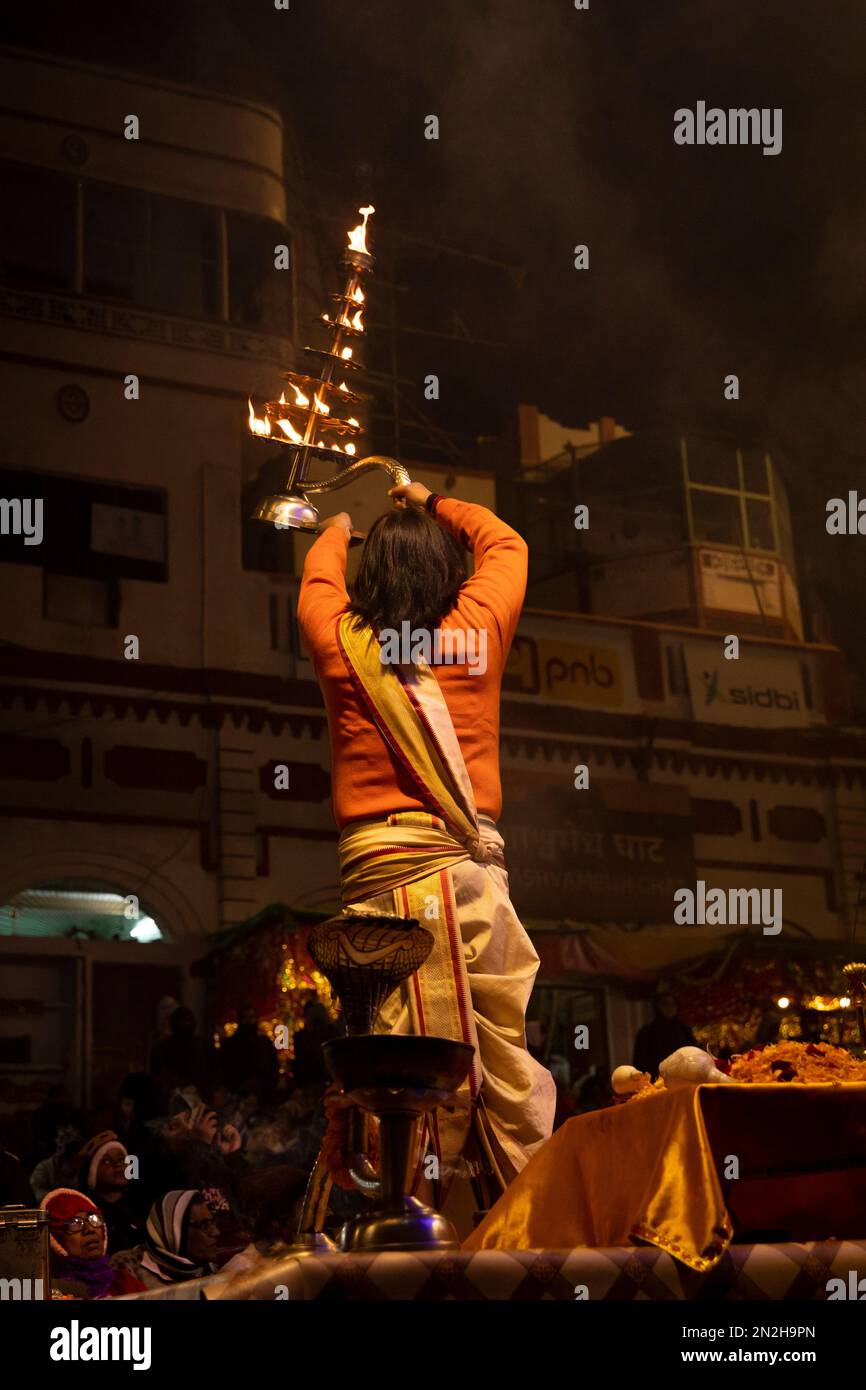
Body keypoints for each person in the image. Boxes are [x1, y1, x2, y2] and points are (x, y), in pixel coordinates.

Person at [297, 479, 556, 1225]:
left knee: (390, 1069)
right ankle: (521, 1236)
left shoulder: (338, 639)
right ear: (448, 574)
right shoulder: (476, 628)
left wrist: (339, 523)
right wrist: (431, 496)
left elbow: (315, 578)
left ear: (366, 573)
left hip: (379, 907)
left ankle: (397, 1231)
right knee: (494, 1068)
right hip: (471, 891)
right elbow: (507, 542)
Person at [40, 1188, 145, 1298]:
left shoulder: (125, 1283)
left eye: (94, 1219)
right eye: (75, 1223)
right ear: (56, 1240)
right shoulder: (47, 1292)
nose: (90, 1229)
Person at [111, 1190, 219, 1290]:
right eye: (204, 1225)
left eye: (212, 1222)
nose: (216, 1232)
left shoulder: (209, 1268)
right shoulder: (128, 1266)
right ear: (174, 1230)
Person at [75, 1131, 143, 1254]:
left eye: (121, 1159)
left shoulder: (140, 1204)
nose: (118, 1165)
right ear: (92, 1173)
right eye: (106, 1162)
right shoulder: (83, 1211)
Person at [218, 1004, 279, 1100]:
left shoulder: (264, 1042)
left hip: (262, 1095)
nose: (249, 1021)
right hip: (237, 1094)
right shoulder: (230, 1044)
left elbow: (272, 1066)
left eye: (251, 1017)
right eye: (245, 1018)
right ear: (239, 1019)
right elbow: (225, 1070)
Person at [632, 993, 697, 1078]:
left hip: (682, 1079)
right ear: (658, 1007)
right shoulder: (646, 1033)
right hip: (655, 1080)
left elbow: (693, 1056)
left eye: (673, 1004)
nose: (669, 1008)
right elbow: (640, 1062)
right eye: (665, 1004)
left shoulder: (685, 1030)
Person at [30, 1125, 82, 1202]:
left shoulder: (86, 1166)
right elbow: (36, 1192)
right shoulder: (44, 1168)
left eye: (70, 1138)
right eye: (62, 1138)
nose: (65, 1143)